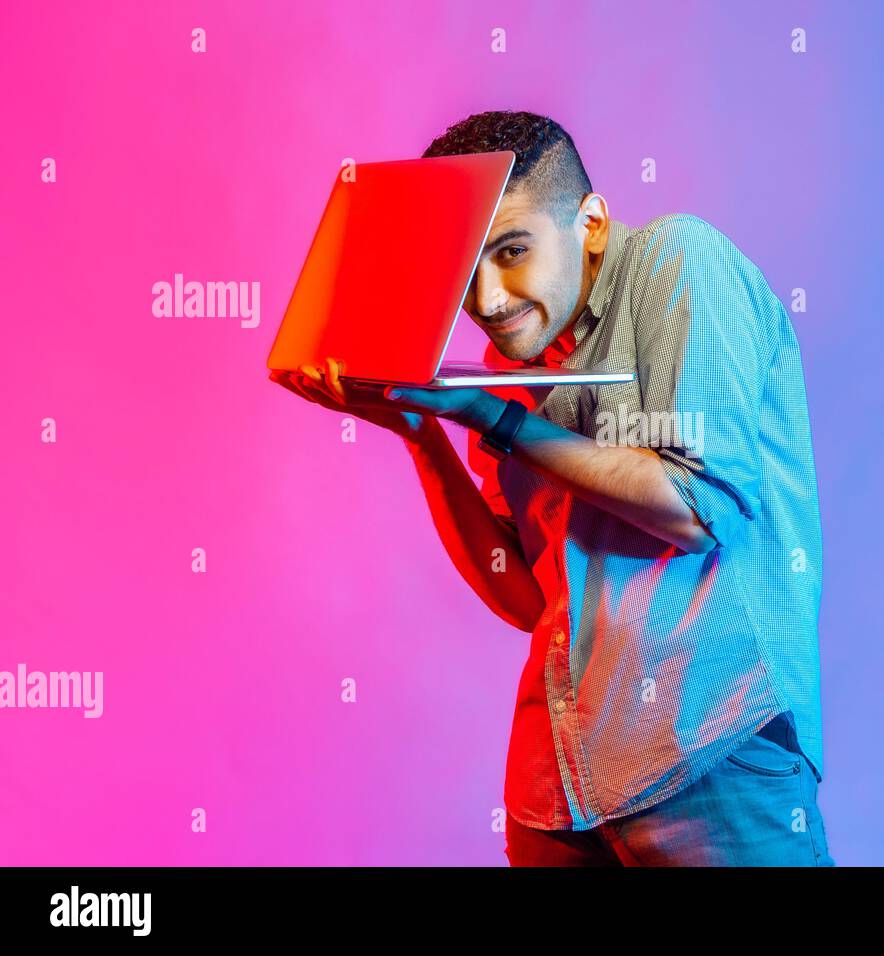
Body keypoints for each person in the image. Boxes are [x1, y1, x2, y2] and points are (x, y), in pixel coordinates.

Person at [272, 110, 833, 866]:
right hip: (558, 793)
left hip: (709, 750)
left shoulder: (677, 260)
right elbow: (525, 598)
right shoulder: (507, 371)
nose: (490, 299)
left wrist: (494, 418)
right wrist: (421, 432)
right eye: (465, 272)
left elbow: (701, 510)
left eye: (511, 251)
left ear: (592, 224)